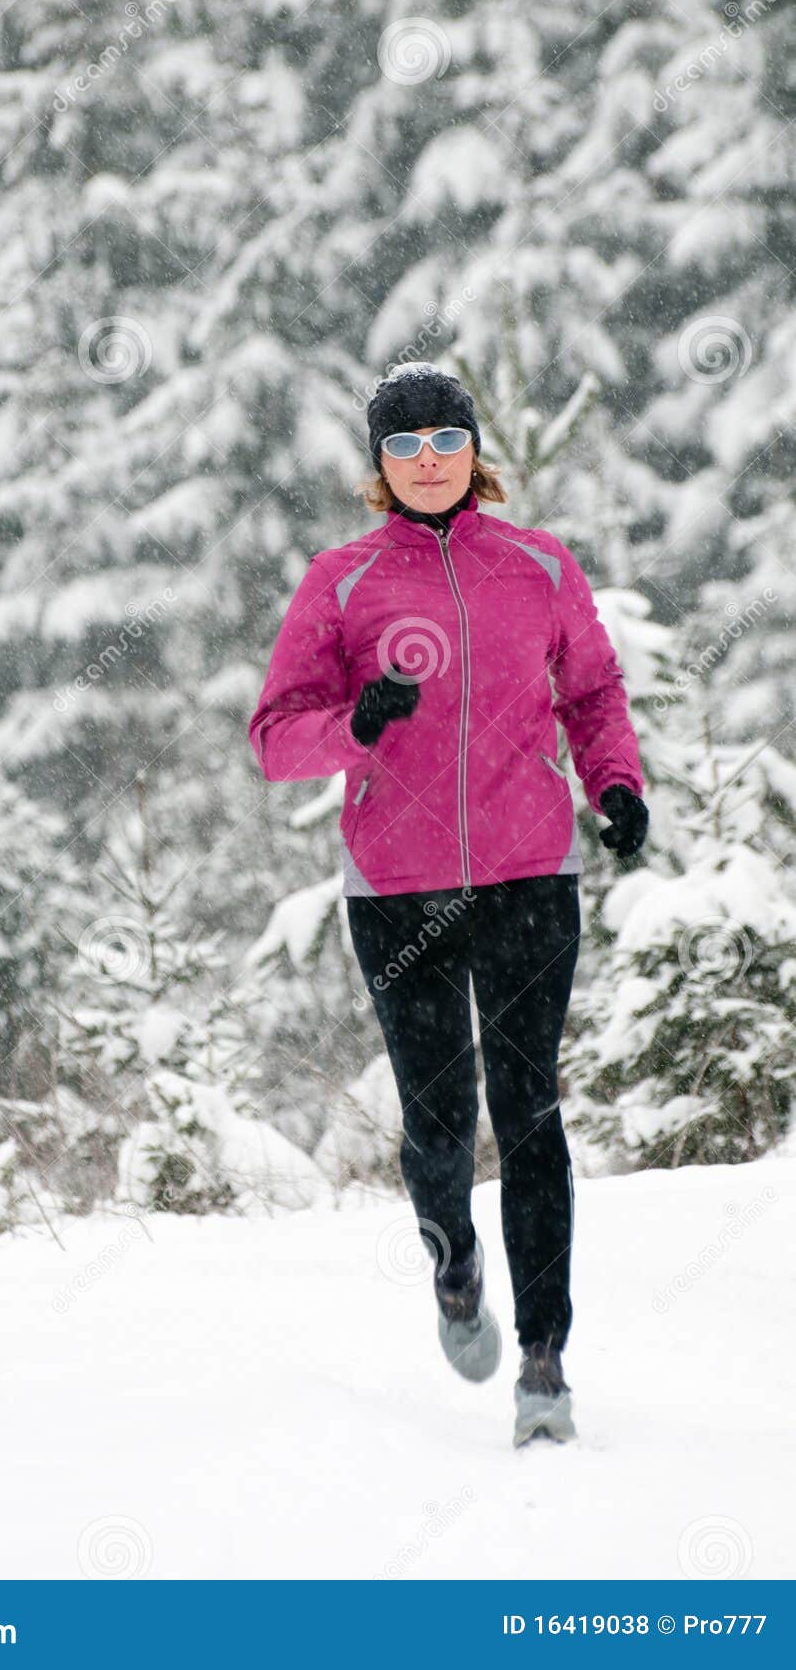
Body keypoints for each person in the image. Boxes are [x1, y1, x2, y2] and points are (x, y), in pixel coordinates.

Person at [248, 362, 648, 1447]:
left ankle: (545, 1361)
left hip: (529, 872)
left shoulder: (536, 565)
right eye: (405, 446)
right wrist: (355, 727)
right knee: (438, 1123)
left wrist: (615, 784)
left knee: (529, 1115)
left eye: (445, 441)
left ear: (474, 451)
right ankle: (456, 1268)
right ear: (379, 466)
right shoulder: (340, 582)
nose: (428, 461)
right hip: (399, 887)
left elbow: (593, 691)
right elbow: (276, 732)